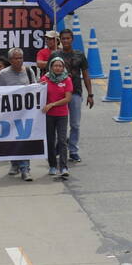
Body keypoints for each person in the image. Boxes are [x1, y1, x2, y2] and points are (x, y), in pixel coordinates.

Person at [0, 47, 38, 180]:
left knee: (24, 140)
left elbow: (36, 89)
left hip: (26, 114)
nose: (19, 61)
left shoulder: (29, 71)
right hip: (10, 114)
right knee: (13, 140)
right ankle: (14, 164)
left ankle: (25, 169)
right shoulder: (3, 74)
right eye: (16, 58)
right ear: (10, 60)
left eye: (20, 58)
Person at [57, 27, 93, 164]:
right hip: (59, 93)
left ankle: (73, 150)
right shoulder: (56, 55)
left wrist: (90, 94)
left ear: (72, 39)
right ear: (60, 40)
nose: (65, 41)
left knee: (75, 124)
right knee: (59, 124)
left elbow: (86, 75)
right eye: (63, 39)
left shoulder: (79, 55)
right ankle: (59, 149)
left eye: (68, 38)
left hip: (76, 92)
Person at [42, 54, 74, 180]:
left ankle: (64, 167)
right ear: (51, 67)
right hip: (48, 115)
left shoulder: (67, 80)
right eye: (55, 66)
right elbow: (38, 91)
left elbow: (68, 98)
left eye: (60, 66)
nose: (58, 68)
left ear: (63, 67)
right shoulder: (45, 78)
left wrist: (52, 104)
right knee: (50, 141)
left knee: (62, 141)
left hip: (62, 115)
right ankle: (52, 165)